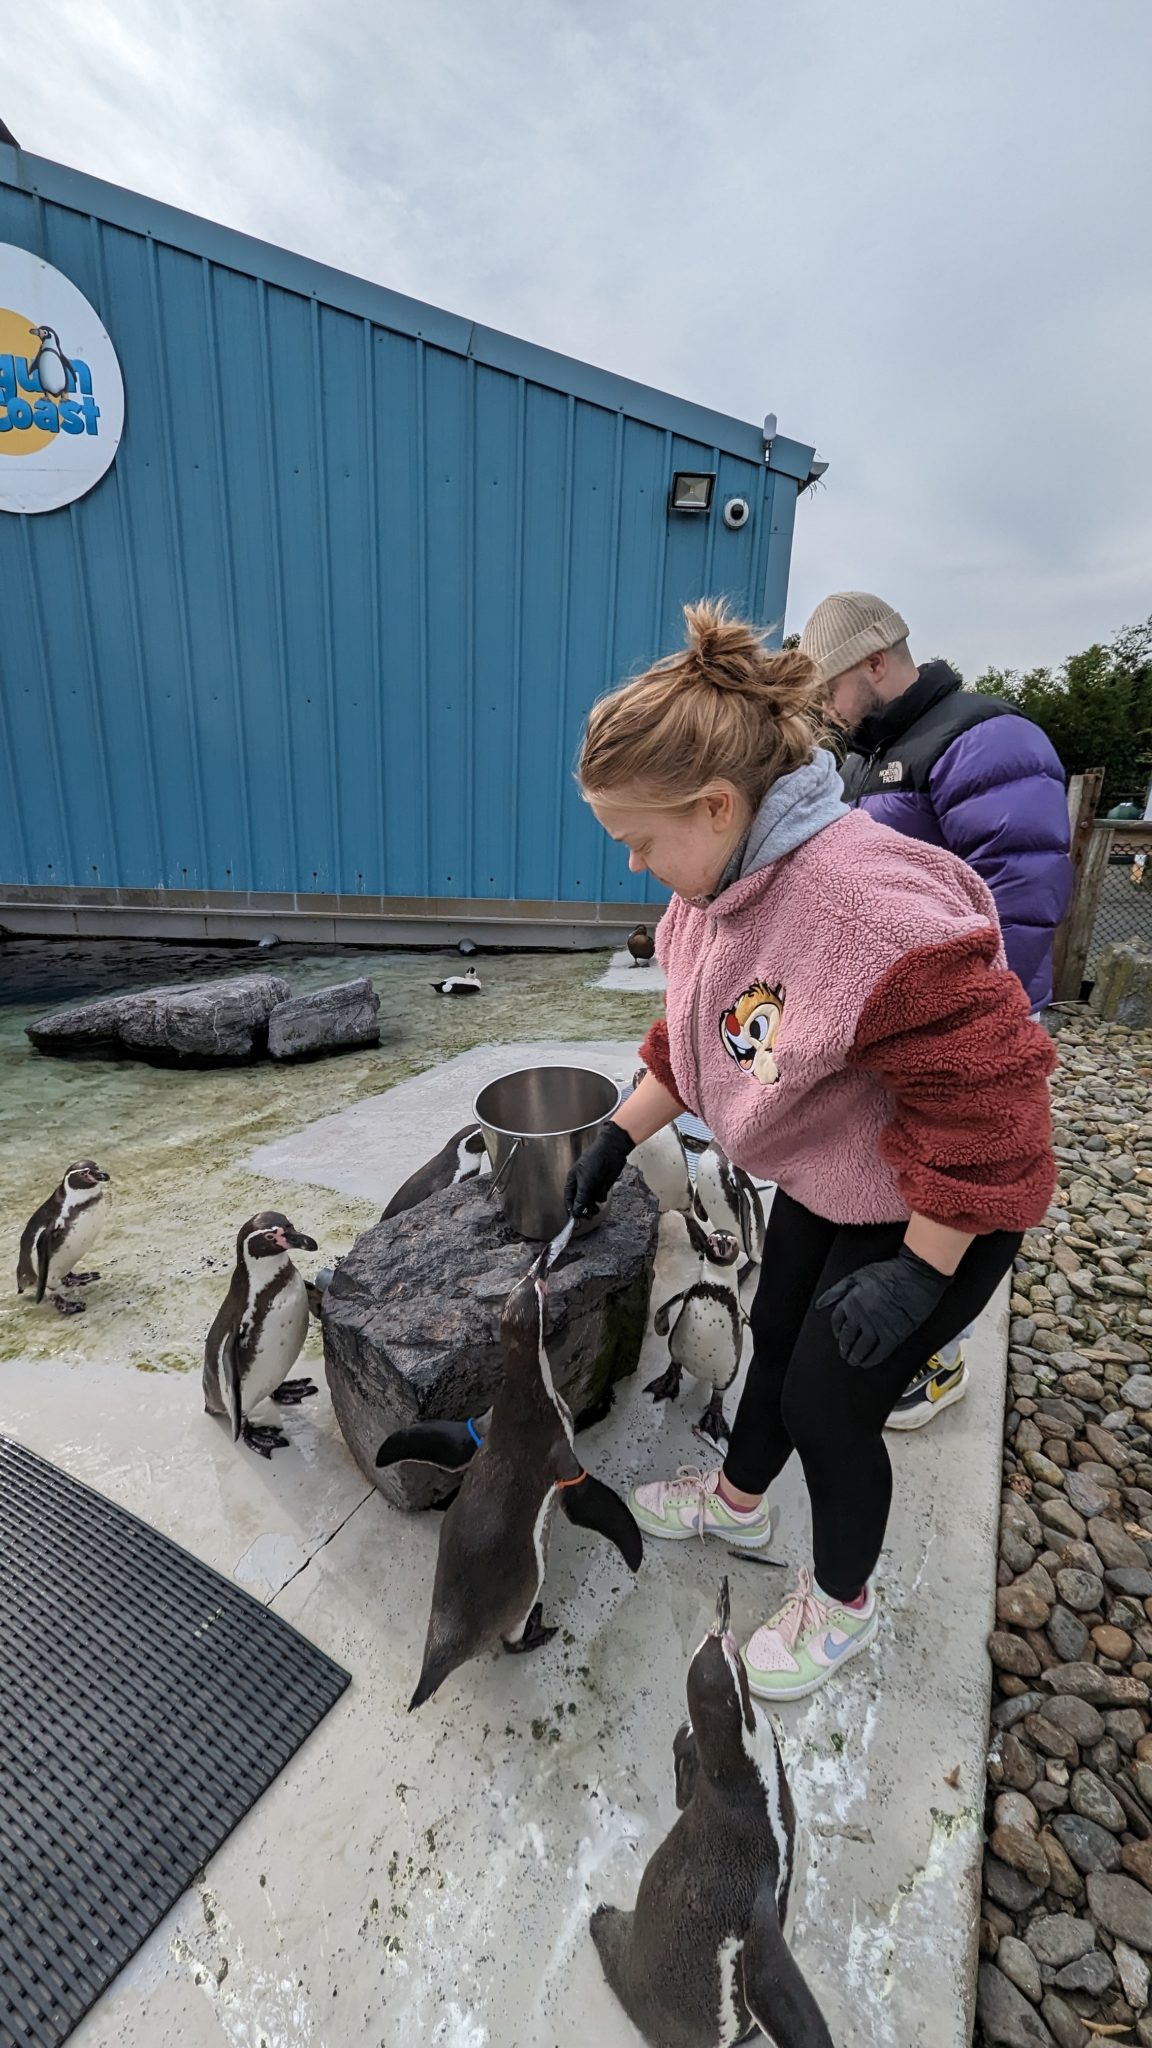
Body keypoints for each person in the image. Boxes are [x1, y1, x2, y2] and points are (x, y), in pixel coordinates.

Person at [565, 601, 1056, 1704]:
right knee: (776, 1332)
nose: (635, 863)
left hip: (941, 1203)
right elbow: (695, 1035)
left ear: (717, 803)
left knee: (833, 1404)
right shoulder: (714, 889)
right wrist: (616, 1134)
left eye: (640, 839)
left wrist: (920, 1269)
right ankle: (740, 1502)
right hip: (841, 1174)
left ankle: (841, 1600)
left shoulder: (865, 907)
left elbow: (993, 1102)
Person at [799, 591, 1072, 1429]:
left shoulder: (986, 740)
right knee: (900, 1180)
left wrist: (977, 1037)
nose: (825, 709)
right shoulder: (866, 759)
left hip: (962, 1025)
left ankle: (938, 1357)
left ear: (876, 662)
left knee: (959, 1178)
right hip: (892, 1026)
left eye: (830, 688)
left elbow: (1022, 900)